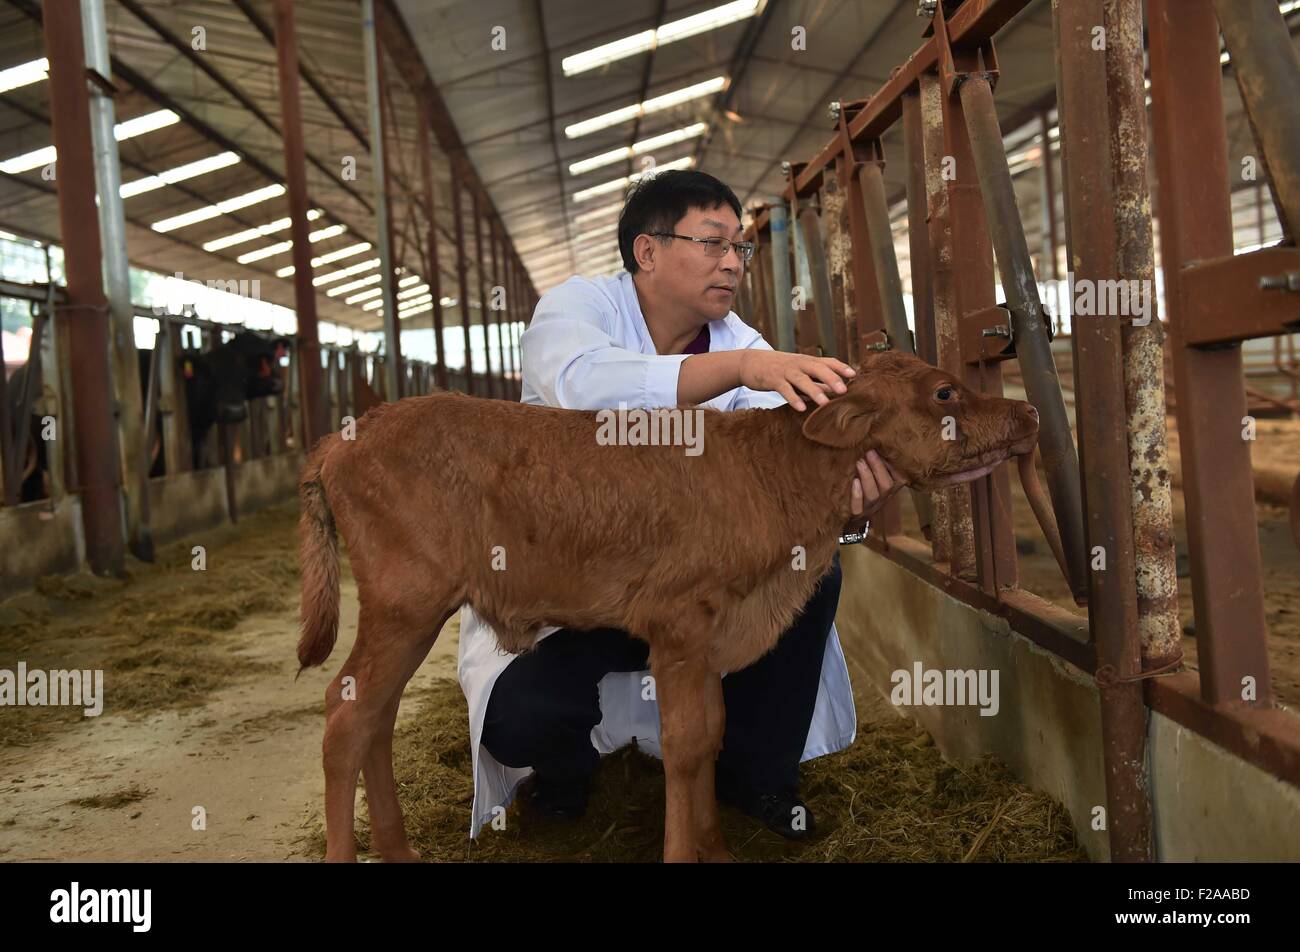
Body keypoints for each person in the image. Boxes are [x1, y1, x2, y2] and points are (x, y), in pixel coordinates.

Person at [457, 169, 905, 841]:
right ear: (648, 251)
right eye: (713, 243)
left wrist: (848, 506)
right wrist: (739, 372)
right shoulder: (580, 308)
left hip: (697, 593)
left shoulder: (749, 350)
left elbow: (790, 483)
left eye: (741, 249)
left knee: (808, 572)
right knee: (519, 716)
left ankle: (757, 779)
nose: (732, 262)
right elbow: (586, 395)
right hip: (579, 592)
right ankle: (567, 773)